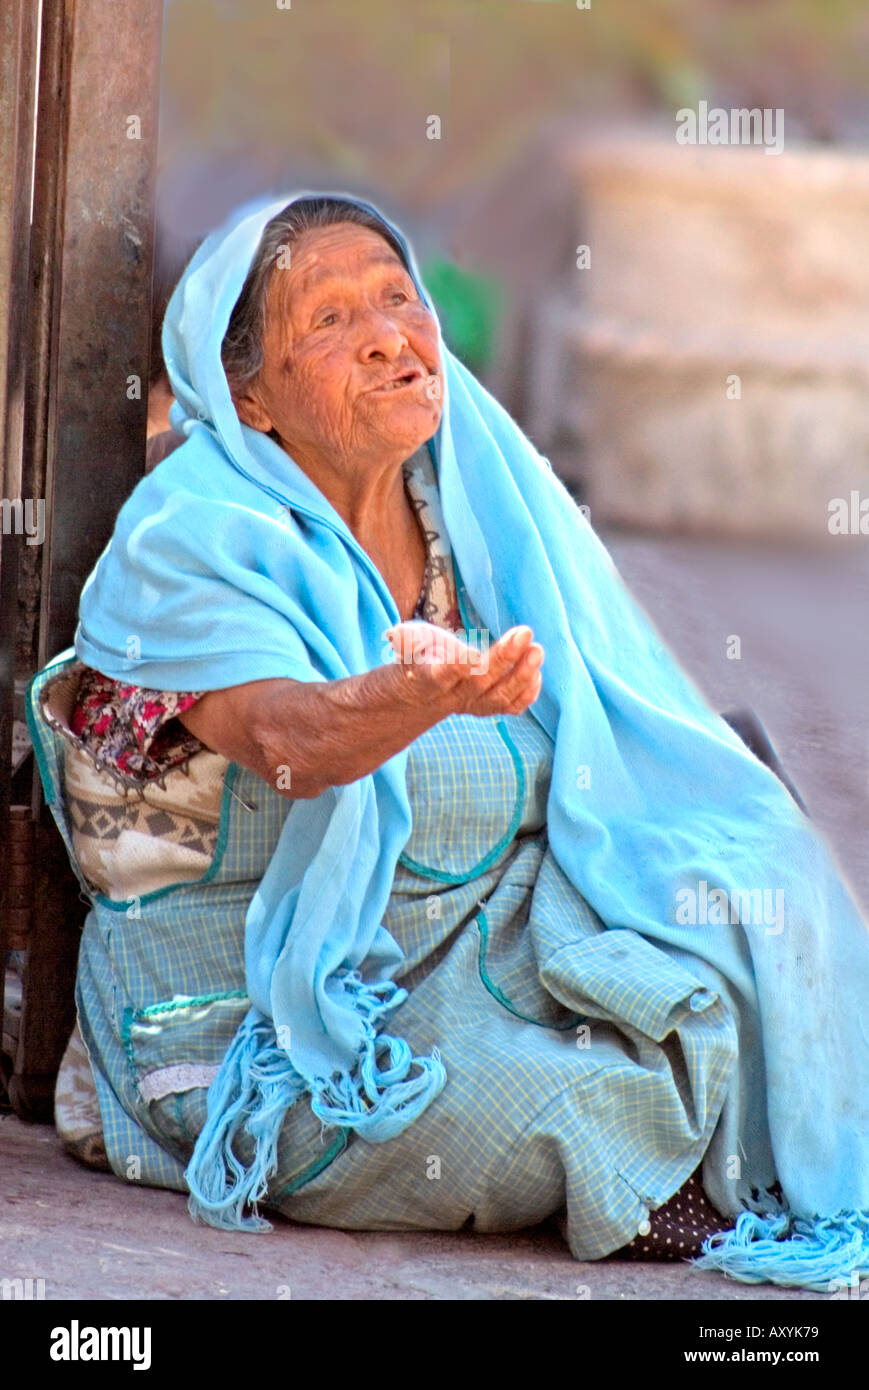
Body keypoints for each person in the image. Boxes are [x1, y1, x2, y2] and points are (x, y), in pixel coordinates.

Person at [29, 193, 869, 1292]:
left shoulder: (476, 503)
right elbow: (289, 742)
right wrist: (404, 699)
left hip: (487, 932)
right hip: (253, 998)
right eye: (326, 319)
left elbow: (621, 745)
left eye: (394, 296)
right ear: (249, 394)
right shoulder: (197, 538)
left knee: (729, 961)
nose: (386, 334)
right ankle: (656, 1185)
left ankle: (716, 1154)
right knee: (540, 1103)